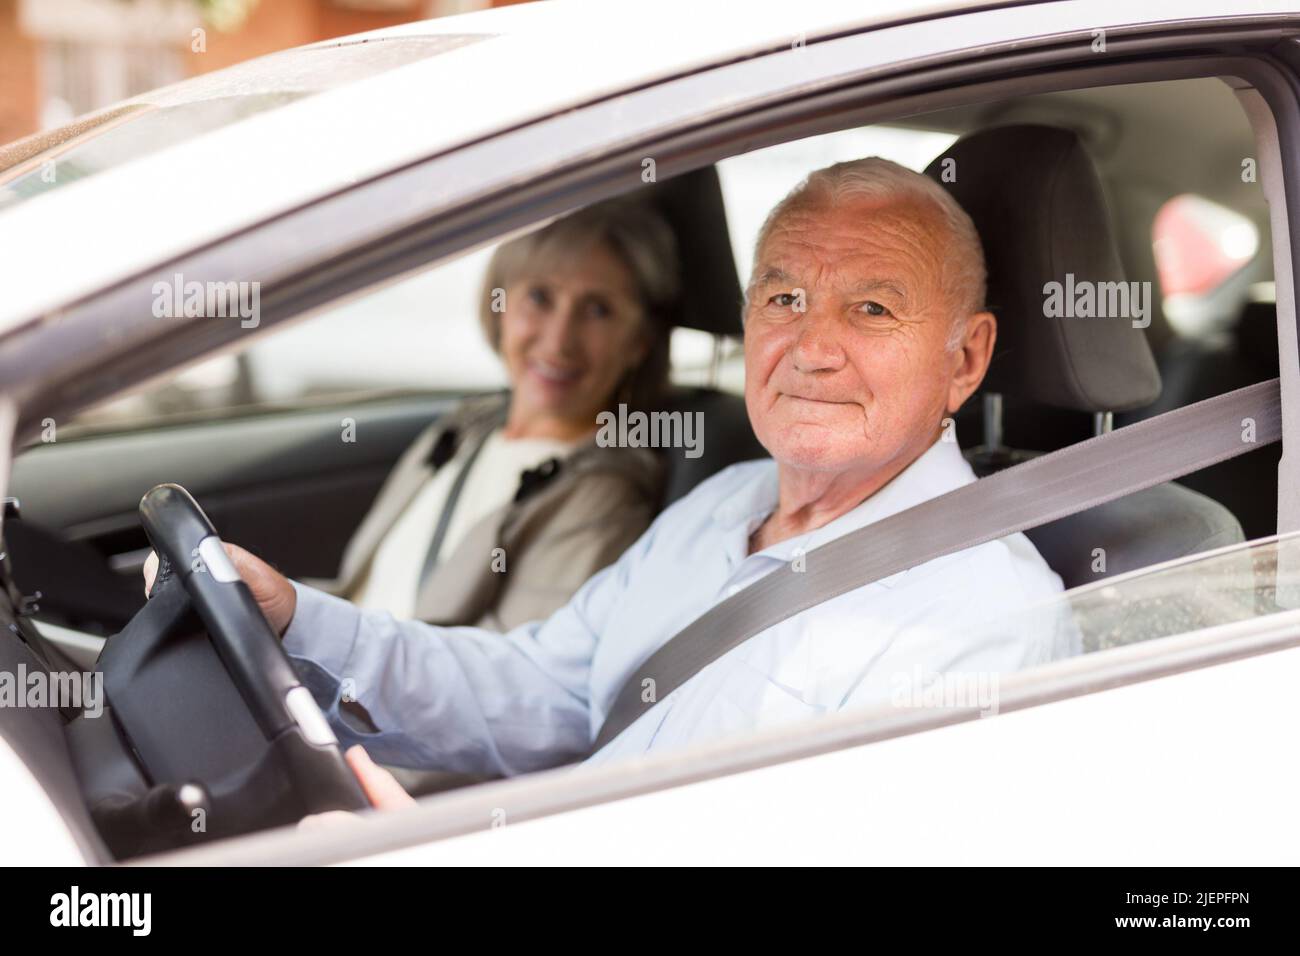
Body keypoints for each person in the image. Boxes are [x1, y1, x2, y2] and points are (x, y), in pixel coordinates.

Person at [147, 157, 1073, 808]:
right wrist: (298, 623)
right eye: (785, 298)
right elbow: (537, 688)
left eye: (872, 308)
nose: (814, 348)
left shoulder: (988, 619)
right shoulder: (722, 504)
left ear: (966, 359)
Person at [314, 197, 679, 630]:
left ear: (638, 344)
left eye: (599, 310)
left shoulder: (603, 493)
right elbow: (361, 593)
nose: (560, 340)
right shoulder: (462, 429)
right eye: (540, 298)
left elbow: (504, 679)